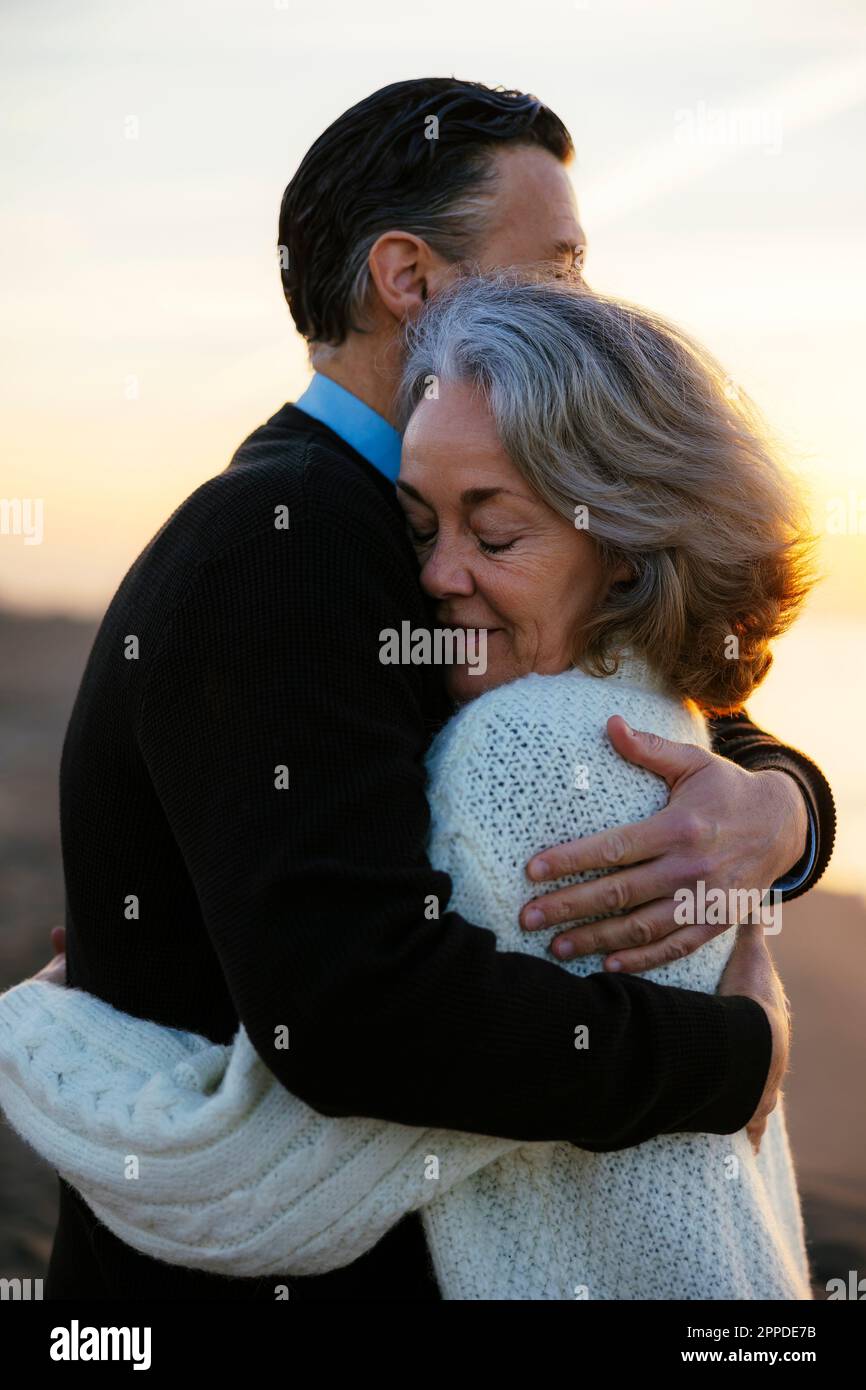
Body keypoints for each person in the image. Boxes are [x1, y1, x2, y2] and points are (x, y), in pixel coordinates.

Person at [24, 79, 833, 1301]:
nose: (581, 300)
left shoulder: (411, 499)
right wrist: (730, 1058)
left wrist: (784, 809)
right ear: (407, 276)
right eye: (555, 264)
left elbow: (663, 682)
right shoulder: (292, 537)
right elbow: (355, 1011)